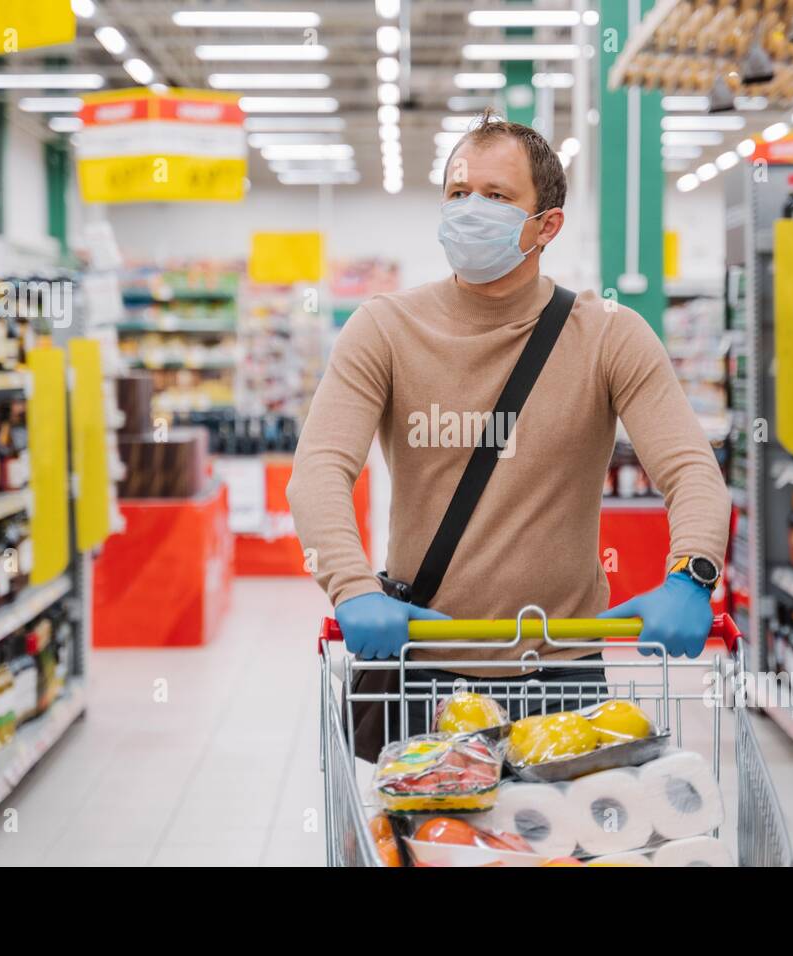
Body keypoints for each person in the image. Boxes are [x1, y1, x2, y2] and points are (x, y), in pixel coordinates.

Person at [288, 110, 729, 757]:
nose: (470, 211)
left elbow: (691, 469)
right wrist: (352, 586)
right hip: (423, 672)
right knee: (434, 851)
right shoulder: (383, 329)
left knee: (562, 853)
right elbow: (320, 469)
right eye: (458, 194)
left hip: (565, 674)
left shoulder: (608, 335)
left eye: (496, 197)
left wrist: (690, 574)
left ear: (546, 224)